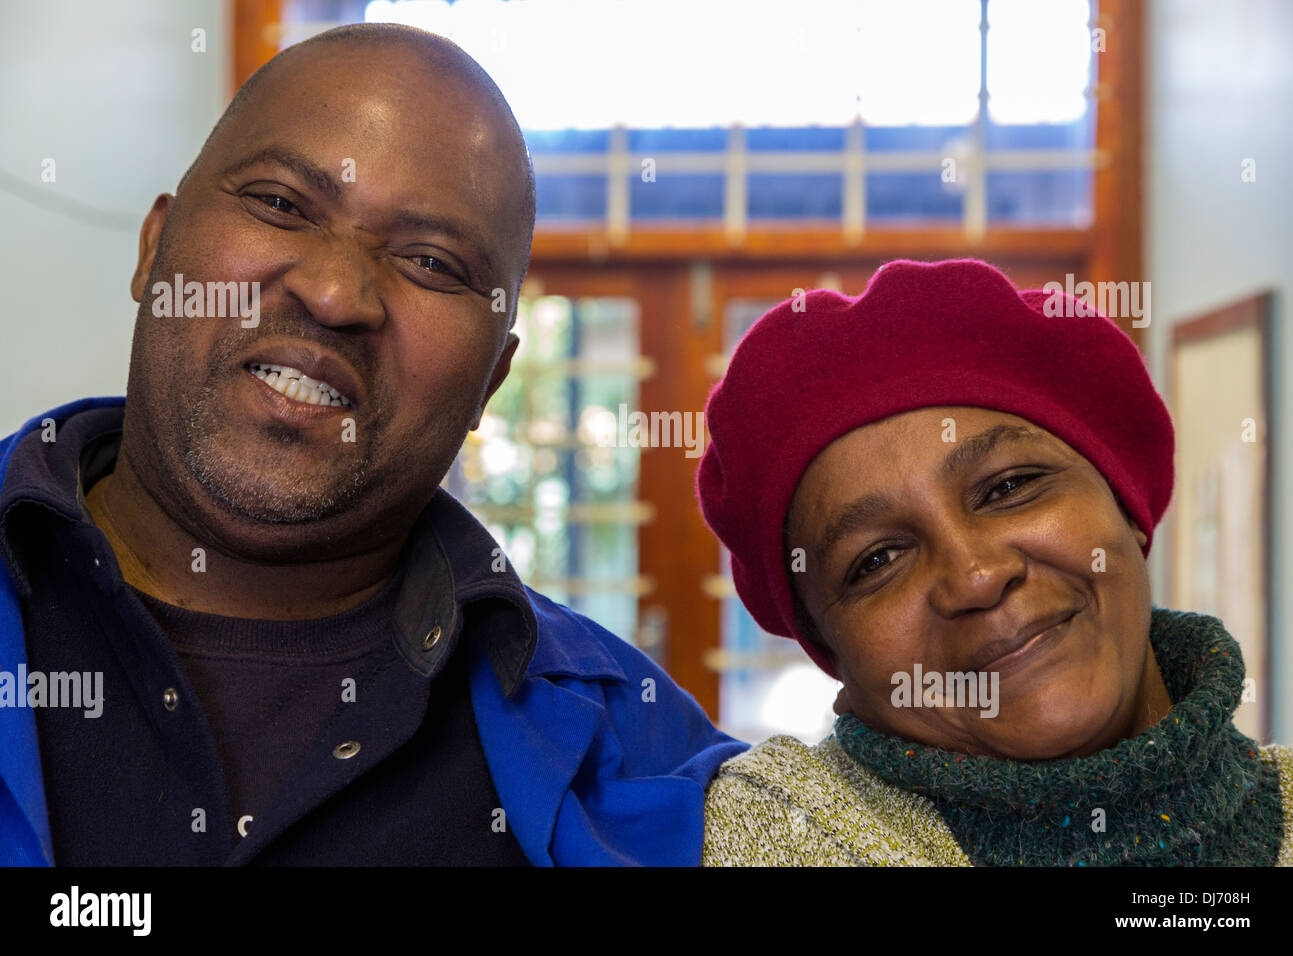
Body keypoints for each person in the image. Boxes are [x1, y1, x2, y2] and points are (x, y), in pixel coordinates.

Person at [0, 22, 744, 867]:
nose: (333, 293)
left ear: (491, 383)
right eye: (281, 205)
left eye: (430, 263)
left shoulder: (649, 763)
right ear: (154, 248)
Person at [695, 258, 1293, 866]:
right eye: (876, 560)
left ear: (1127, 508)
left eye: (1009, 488)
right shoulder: (769, 839)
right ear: (834, 657)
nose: (975, 577)